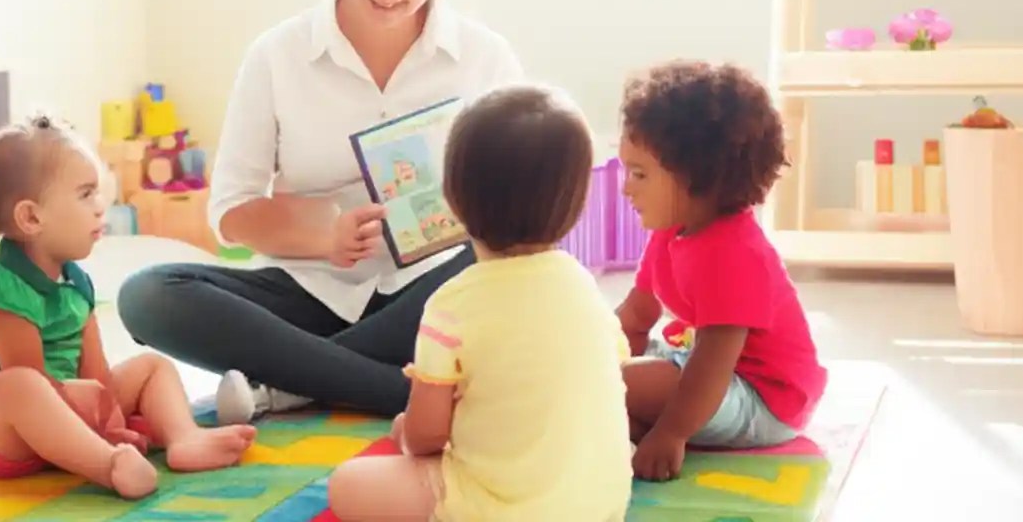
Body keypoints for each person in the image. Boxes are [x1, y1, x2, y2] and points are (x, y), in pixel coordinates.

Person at [117, 0, 523, 422]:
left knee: (504, 265)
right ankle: (399, 391)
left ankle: (292, 387)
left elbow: (522, 200)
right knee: (148, 293)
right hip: (305, 293)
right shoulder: (277, 55)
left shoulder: (486, 58)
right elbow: (230, 212)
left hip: (431, 296)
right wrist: (322, 235)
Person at [327, 85, 633, 522]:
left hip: (495, 508)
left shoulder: (453, 302)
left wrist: (407, 434)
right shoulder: (584, 284)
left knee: (349, 484)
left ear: (451, 199)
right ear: (579, 203)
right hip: (598, 505)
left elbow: (427, 436)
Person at [0, 115, 257, 499]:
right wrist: (91, 413)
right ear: (31, 217)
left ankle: (183, 437)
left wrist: (105, 412)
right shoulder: (2, 285)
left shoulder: (75, 281)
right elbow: (31, 383)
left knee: (152, 367)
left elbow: (97, 376)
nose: (101, 206)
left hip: (62, 410)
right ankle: (108, 465)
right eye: (85, 194)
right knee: (18, 386)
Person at [614, 60, 829, 482]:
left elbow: (713, 361)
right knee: (607, 382)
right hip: (705, 369)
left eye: (639, 173)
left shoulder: (735, 253)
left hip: (767, 398)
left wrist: (672, 433)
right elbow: (637, 317)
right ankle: (631, 423)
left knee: (620, 385)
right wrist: (596, 353)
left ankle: (652, 423)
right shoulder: (671, 229)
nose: (625, 187)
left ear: (697, 178)